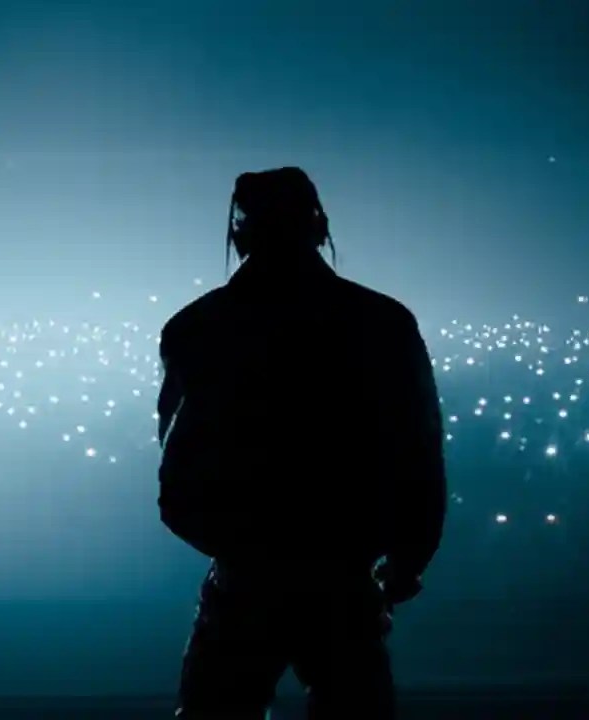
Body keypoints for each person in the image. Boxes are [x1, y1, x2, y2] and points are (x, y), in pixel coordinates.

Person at [156, 167, 447, 719]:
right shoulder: (381, 323)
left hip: (244, 575)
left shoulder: (199, 327)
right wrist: (407, 559)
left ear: (240, 233)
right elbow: (419, 451)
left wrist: (234, 546)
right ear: (318, 226)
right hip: (341, 573)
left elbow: (178, 463)